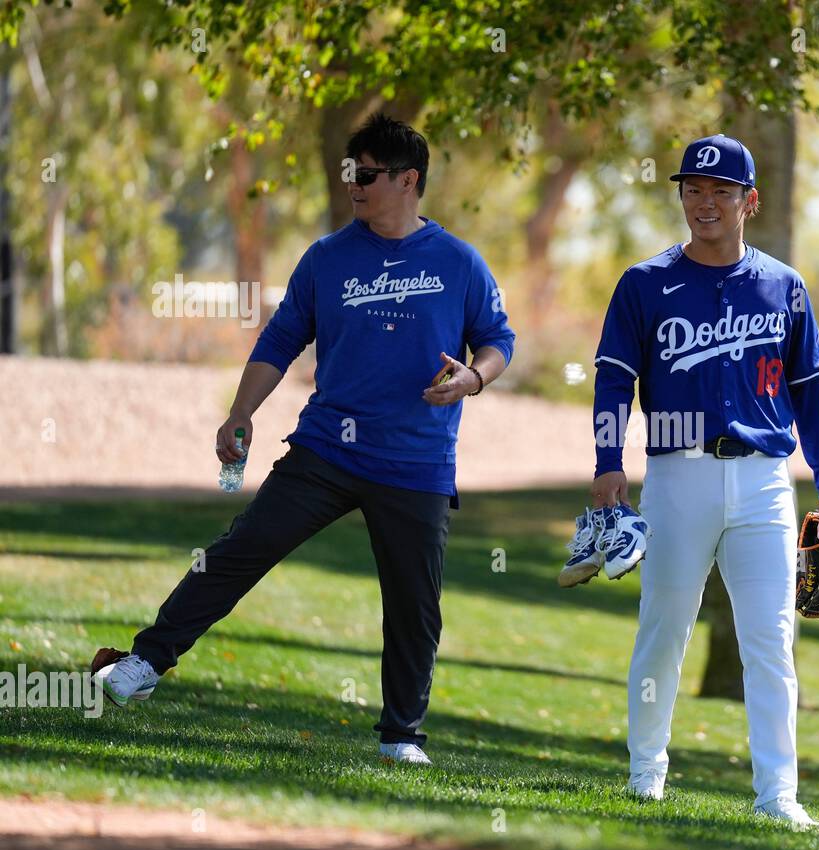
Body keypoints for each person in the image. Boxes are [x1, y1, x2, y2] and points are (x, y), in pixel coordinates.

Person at [92, 113, 516, 765]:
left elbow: (498, 340)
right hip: (327, 450)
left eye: (367, 174)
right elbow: (281, 340)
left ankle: (402, 736)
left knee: (414, 604)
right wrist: (241, 413)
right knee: (241, 549)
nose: (354, 184)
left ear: (409, 180)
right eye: (350, 172)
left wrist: (474, 378)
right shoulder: (327, 258)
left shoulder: (459, 262)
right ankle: (145, 662)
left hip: (416, 462)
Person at [589, 134, 819, 830]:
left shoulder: (784, 286)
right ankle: (646, 776)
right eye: (692, 189)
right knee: (663, 630)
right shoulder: (644, 283)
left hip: (765, 480)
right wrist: (607, 462)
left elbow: (811, 394)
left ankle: (779, 797)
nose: (704, 202)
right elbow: (614, 380)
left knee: (771, 639)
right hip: (677, 474)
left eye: (721, 192)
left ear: (749, 202)